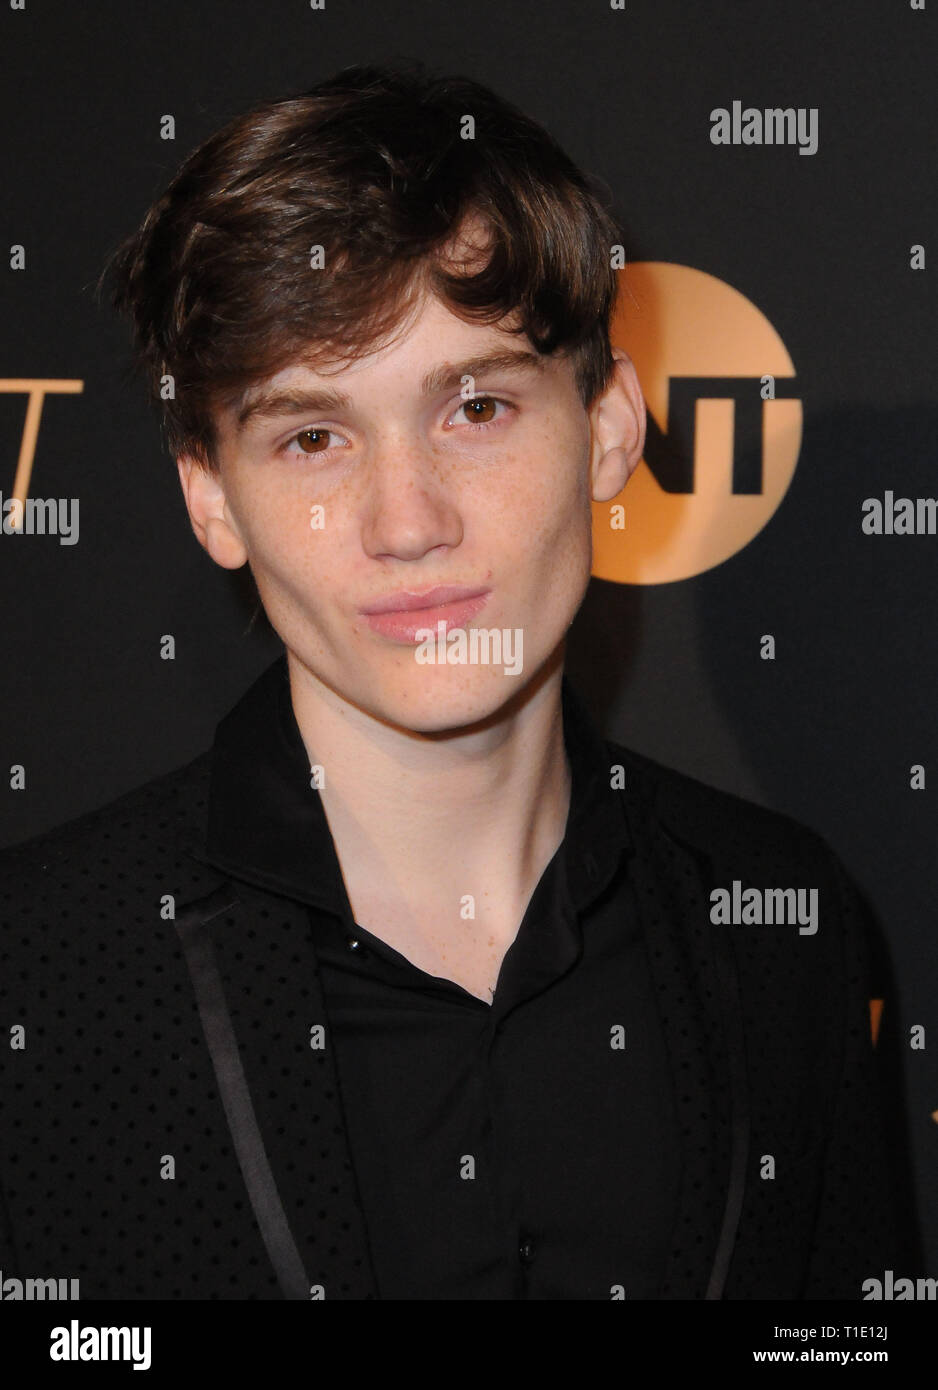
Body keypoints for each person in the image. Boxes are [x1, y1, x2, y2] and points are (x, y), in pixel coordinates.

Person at [0, 60, 903, 1300]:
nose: (405, 521)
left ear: (607, 434)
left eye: (473, 407)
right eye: (313, 435)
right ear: (211, 497)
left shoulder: (781, 923)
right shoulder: (44, 967)